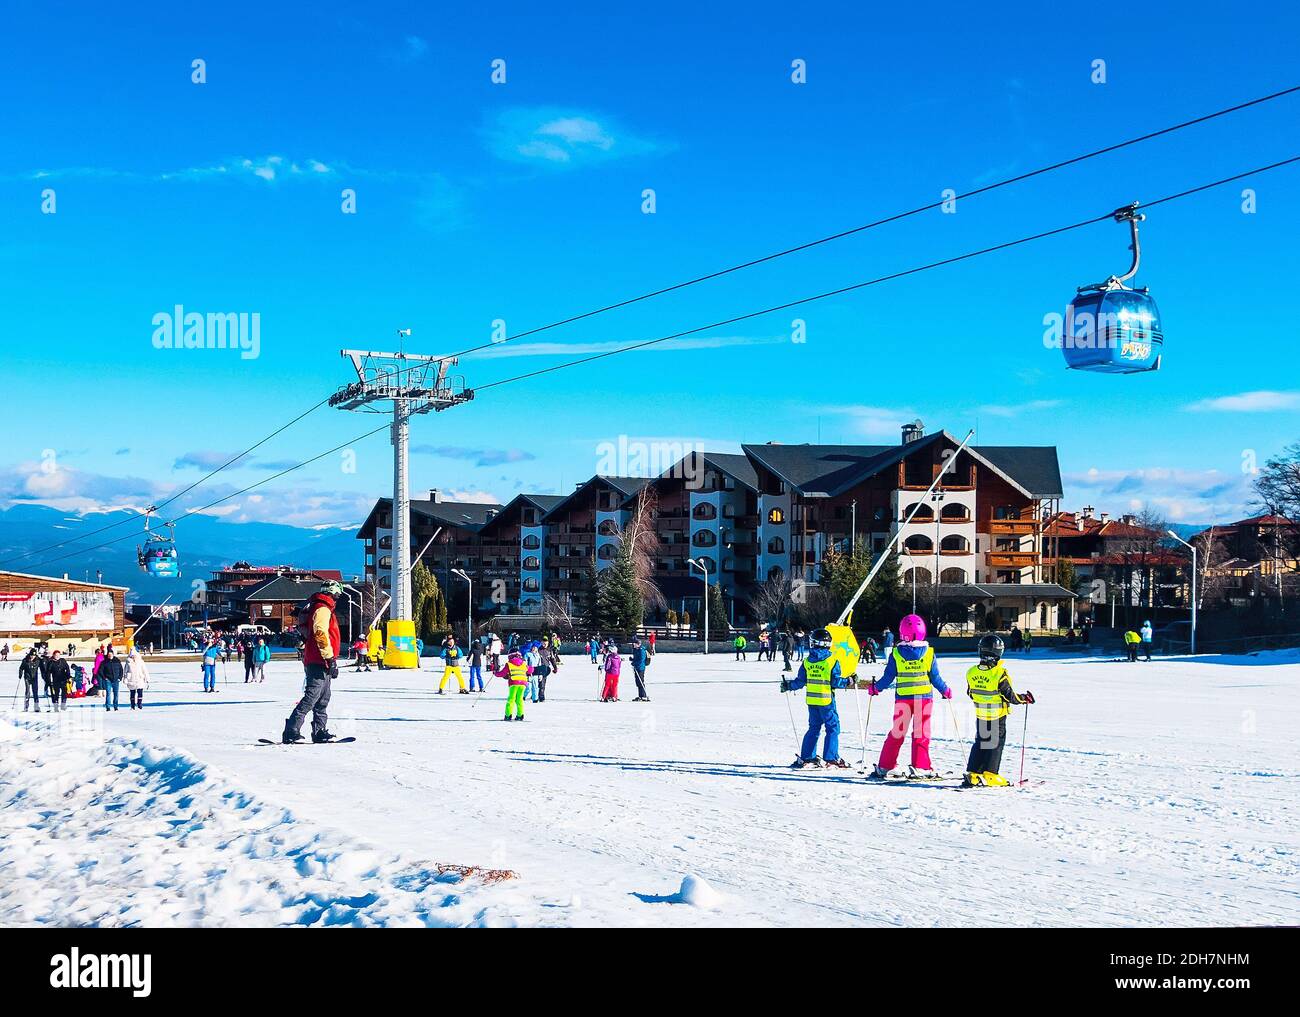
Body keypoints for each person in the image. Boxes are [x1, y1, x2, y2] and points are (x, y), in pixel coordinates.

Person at [867, 614, 951, 780]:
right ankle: (921, 766)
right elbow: (935, 677)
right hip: (924, 699)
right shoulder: (928, 653)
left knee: (897, 732)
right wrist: (945, 690)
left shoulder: (896, 654)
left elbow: (888, 677)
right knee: (921, 733)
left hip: (903, 699)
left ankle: (886, 765)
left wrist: (876, 688)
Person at [963, 634, 1035, 787]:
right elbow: (1010, 696)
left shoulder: (971, 672)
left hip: (981, 714)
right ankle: (991, 774)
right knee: (995, 743)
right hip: (997, 715)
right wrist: (1024, 699)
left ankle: (974, 773)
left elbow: (970, 693)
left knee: (981, 743)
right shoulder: (999, 673)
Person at [781, 627, 852, 768]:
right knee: (833, 728)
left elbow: (800, 681)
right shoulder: (831, 660)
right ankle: (831, 758)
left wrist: (789, 685)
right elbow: (836, 682)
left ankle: (807, 756)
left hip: (812, 701)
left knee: (814, 728)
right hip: (826, 701)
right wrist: (849, 680)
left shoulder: (808, 662)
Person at [283, 580, 342, 743]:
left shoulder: (321, 606)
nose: (338, 598)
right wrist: (329, 657)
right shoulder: (322, 608)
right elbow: (320, 633)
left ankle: (319, 730)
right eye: (338, 595)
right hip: (319, 658)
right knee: (312, 696)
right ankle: (291, 730)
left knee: (323, 697)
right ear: (334, 593)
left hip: (321, 659)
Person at [493, 646, 531, 721]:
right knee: (519, 699)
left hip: (514, 682)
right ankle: (520, 715)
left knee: (511, 699)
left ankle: (508, 715)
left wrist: (495, 673)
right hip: (523, 682)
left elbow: (502, 673)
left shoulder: (509, 663)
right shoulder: (523, 663)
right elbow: (530, 670)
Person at [98, 647, 124, 711]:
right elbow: (100, 671)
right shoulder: (104, 662)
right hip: (108, 680)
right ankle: (108, 707)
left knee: (116, 694)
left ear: (113, 654)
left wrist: (119, 678)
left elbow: (121, 670)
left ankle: (116, 706)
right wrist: (104, 678)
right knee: (108, 693)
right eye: (108, 655)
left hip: (116, 680)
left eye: (111, 654)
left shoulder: (117, 661)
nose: (109, 656)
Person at [629, 636, 651, 701]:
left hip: (640, 668)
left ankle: (643, 695)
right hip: (636, 667)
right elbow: (637, 658)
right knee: (638, 682)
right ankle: (640, 695)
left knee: (641, 682)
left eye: (635, 644)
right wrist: (632, 659)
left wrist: (634, 663)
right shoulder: (636, 650)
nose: (633, 645)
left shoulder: (642, 650)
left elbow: (641, 660)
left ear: (638, 644)